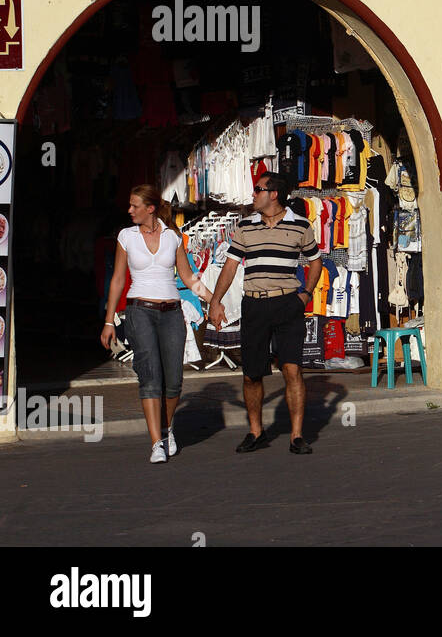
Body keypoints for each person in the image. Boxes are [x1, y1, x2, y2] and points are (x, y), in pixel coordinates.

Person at [209, 173, 322, 454]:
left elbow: (316, 261)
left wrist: (305, 294)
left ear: (273, 194)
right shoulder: (246, 226)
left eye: (257, 189)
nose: (253, 194)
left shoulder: (300, 225)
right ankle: (256, 432)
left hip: (287, 304)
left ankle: (296, 435)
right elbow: (231, 266)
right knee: (251, 374)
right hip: (255, 305)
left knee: (292, 369)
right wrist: (215, 301)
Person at [101, 184, 213, 464]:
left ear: (150, 208)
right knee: (150, 375)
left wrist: (215, 300)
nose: (129, 210)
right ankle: (156, 443)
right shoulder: (126, 236)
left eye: (134, 206)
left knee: (174, 379)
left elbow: (188, 278)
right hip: (139, 310)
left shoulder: (173, 236)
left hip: (172, 312)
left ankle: (167, 428)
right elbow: (117, 279)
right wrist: (108, 320)